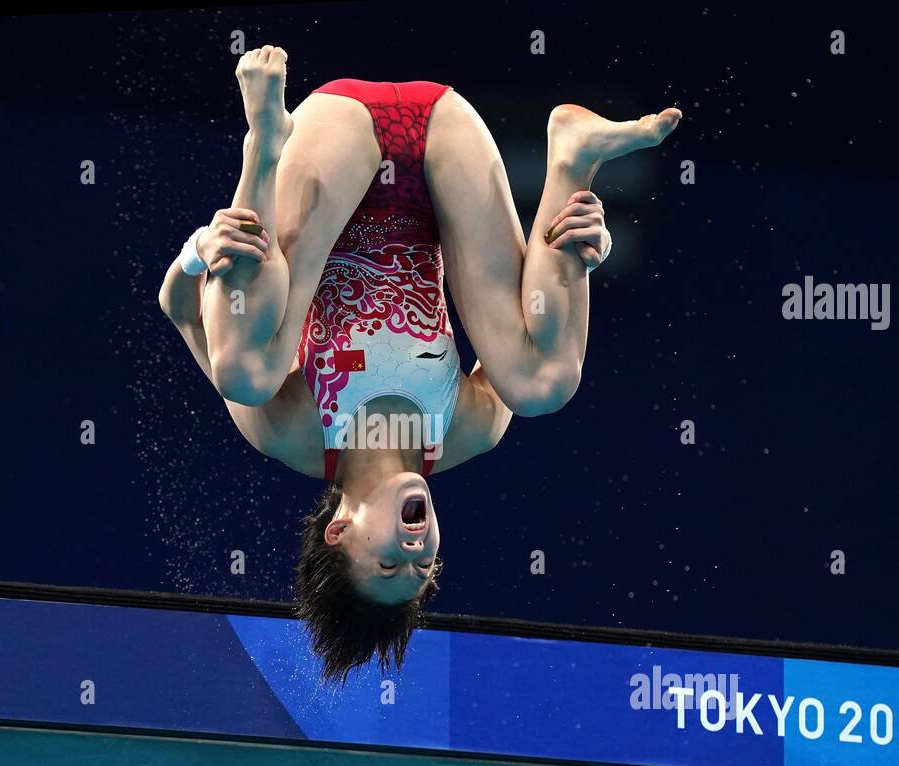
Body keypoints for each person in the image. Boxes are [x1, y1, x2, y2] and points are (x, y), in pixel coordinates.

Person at [158, 46, 680, 681]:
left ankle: (262, 145)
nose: (414, 552)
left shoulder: (291, 432)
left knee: (242, 372)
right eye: (424, 568)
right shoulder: (464, 431)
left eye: (388, 566)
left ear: (340, 531)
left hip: (331, 143)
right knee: (541, 384)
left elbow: (178, 307)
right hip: (445, 139)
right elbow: (530, 324)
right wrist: (575, 261)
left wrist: (197, 252)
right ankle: (573, 158)